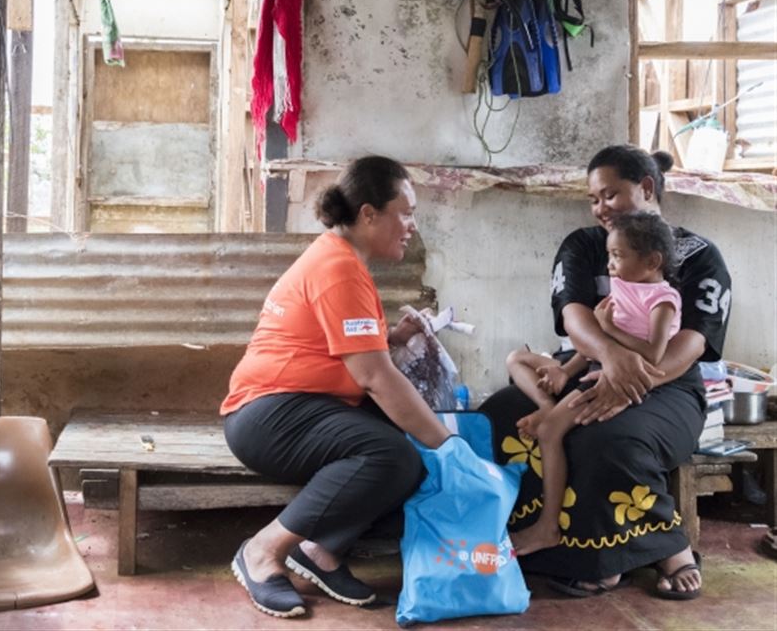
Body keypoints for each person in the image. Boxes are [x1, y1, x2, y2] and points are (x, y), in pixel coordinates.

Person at [481, 145, 731, 601]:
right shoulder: (584, 245)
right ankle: (546, 535)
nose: (599, 209)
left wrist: (630, 381)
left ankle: (643, 550)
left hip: (667, 384)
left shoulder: (697, 256)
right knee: (497, 416)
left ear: (647, 188)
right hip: (586, 365)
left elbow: (691, 343)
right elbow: (574, 315)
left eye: (610, 195)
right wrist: (608, 359)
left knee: (611, 439)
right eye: (593, 199)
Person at [221, 156, 450, 618]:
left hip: (297, 407)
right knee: (394, 454)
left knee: (407, 452)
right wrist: (450, 445)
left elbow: (354, 349)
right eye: (404, 212)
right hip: (268, 415)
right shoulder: (339, 267)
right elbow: (375, 377)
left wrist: (393, 338)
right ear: (368, 214)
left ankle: (319, 553)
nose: (411, 225)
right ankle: (263, 551)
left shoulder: (342, 258)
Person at [505, 211, 682, 556]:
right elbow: (593, 347)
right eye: (609, 255)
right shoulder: (625, 286)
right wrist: (568, 368)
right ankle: (548, 413)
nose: (610, 264)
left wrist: (608, 329)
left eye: (618, 256)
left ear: (652, 261)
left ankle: (547, 527)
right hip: (599, 369)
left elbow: (654, 353)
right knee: (521, 370)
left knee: (550, 432)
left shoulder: (662, 300)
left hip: (633, 382)